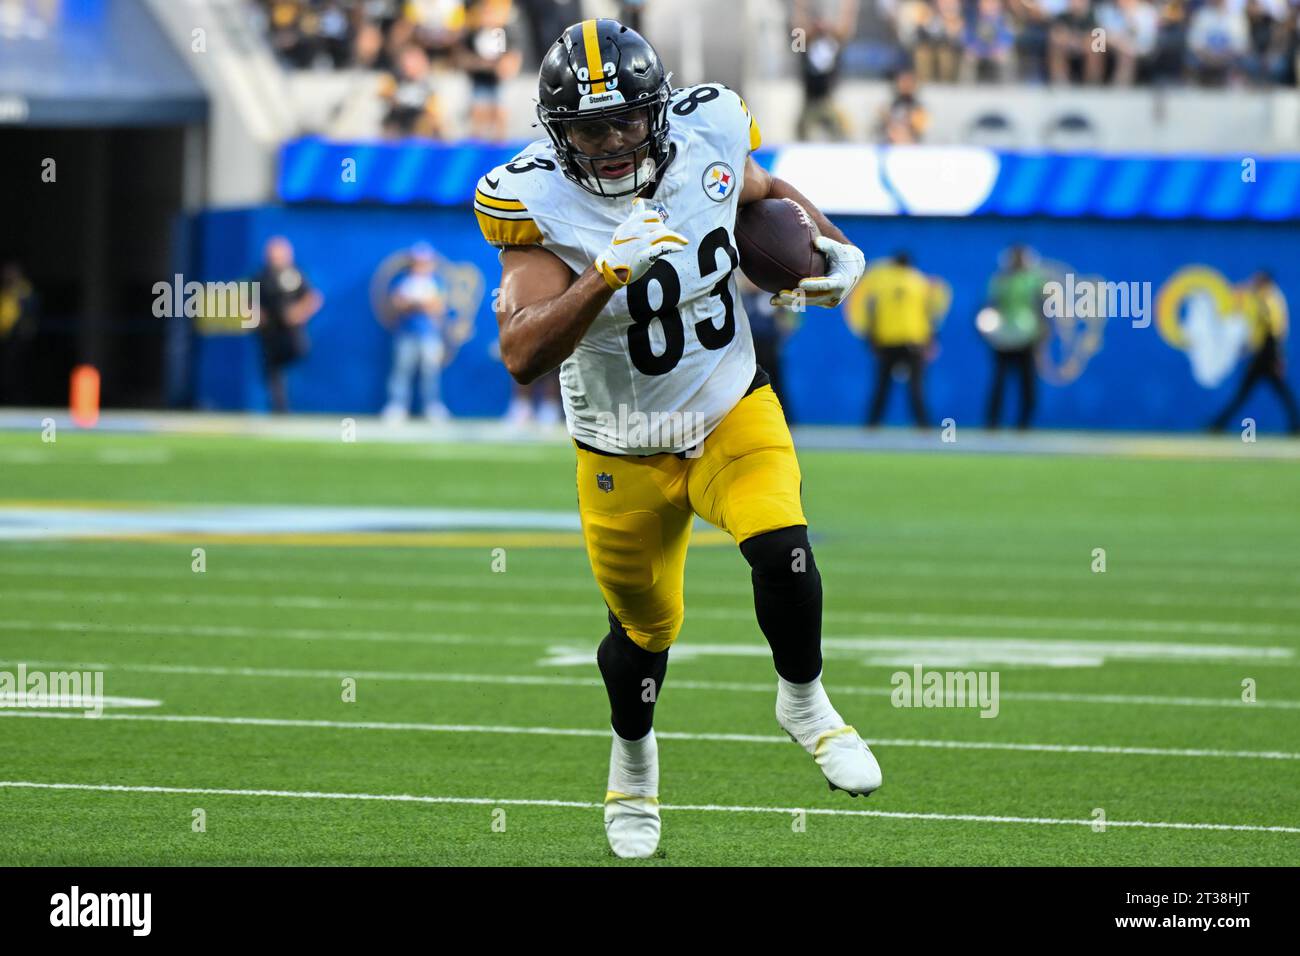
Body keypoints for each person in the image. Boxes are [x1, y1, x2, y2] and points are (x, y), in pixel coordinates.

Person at [475, 18, 877, 859]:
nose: (613, 141)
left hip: (731, 405)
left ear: (656, 109)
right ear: (559, 134)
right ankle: (633, 765)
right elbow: (520, 352)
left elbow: (763, 195)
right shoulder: (535, 198)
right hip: (619, 443)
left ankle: (803, 701)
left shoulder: (709, 132)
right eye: (590, 127)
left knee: (784, 549)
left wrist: (836, 247)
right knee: (644, 632)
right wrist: (603, 275)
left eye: (625, 119)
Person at [847, 251, 949, 427]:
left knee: (882, 387)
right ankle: (924, 428)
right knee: (916, 388)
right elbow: (933, 311)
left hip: (886, 341)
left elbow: (869, 311)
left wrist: (869, 337)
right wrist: (931, 339)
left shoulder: (879, 282)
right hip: (914, 341)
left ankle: (871, 427)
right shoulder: (920, 282)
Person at [1210, 271, 1300, 434]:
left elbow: (1274, 331)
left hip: (1267, 353)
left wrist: (1277, 357)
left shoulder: (1269, 299)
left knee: (1248, 393)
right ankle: (1218, 424)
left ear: (1265, 282)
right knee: (1276, 393)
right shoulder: (1267, 297)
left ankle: (1218, 425)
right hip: (1264, 352)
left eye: (1258, 280)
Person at [380, 243, 450, 422]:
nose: (421, 265)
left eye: (425, 261)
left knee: (430, 372)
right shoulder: (404, 281)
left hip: (429, 335)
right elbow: (397, 304)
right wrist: (418, 304)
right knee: (402, 370)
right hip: (407, 333)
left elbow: (438, 307)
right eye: (418, 261)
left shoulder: (436, 282)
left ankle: (432, 406)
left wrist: (416, 304)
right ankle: (397, 406)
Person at [983, 245, 1049, 429]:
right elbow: (990, 306)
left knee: (1028, 385)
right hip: (1003, 339)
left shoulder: (1034, 280)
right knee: (999, 383)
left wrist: (1042, 337)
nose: (1018, 261)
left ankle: (1023, 426)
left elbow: (1041, 308)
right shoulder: (999, 280)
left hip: (1027, 338)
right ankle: (992, 425)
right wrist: (989, 331)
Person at [255, 237, 323, 414]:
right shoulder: (261, 276)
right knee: (272, 369)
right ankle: (280, 409)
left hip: (291, 332)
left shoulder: (295, 274)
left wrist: (298, 313)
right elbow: (250, 303)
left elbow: (313, 298)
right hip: (270, 331)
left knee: (296, 352)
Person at [0, 262, 37, 405]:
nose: (6, 274)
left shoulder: (23, 290)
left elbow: (30, 312)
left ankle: (19, 401)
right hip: (5, 336)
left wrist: (25, 330)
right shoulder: (5, 289)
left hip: (18, 337)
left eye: (10, 271)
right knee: (6, 371)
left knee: (16, 371)